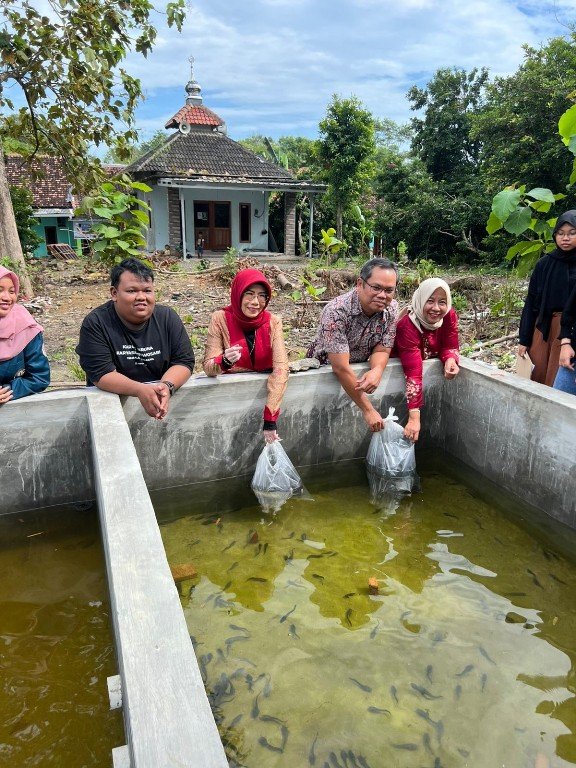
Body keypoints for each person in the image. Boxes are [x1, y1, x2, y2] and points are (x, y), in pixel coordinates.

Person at [76, 257, 194, 419]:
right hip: (112, 410)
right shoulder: (97, 322)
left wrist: (166, 386)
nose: (141, 297)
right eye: (132, 291)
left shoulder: (167, 318)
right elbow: (101, 373)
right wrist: (139, 390)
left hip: (160, 405)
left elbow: (184, 362)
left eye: (147, 290)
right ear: (114, 293)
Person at [306, 257, 399, 432]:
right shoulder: (337, 311)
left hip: (356, 371)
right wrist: (368, 410)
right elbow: (340, 368)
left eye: (389, 290)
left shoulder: (391, 309)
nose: (382, 295)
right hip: (325, 369)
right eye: (376, 287)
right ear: (360, 284)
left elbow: (383, 347)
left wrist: (377, 370)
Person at [203, 268, 289, 442]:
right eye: (249, 294)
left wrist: (270, 420)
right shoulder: (220, 319)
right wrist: (224, 361)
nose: (256, 302)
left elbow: (281, 369)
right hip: (228, 403)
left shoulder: (273, 322)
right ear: (238, 294)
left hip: (263, 397)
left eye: (262, 295)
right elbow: (208, 367)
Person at [393, 278, 459, 442]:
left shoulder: (449, 315)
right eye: (430, 301)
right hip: (403, 364)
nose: (436, 308)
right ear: (420, 299)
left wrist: (450, 359)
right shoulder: (407, 325)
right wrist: (414, 417)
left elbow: (450, 345)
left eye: (442, 302)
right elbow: (413, 372)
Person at [518, 210, 576, 386]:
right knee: (537, 373)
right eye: (561, 233)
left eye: (572, 233)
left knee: (557, 378)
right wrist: (524, 339)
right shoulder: (545, 263)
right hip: (542, 326)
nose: (565, 238)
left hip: (568, 328)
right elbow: (531, 302)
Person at [0, 265, 50, 404]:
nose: (7, 297)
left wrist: (7, 390)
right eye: (0, 290)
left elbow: (39, 377)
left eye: (11, 291)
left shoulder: (26, 327)